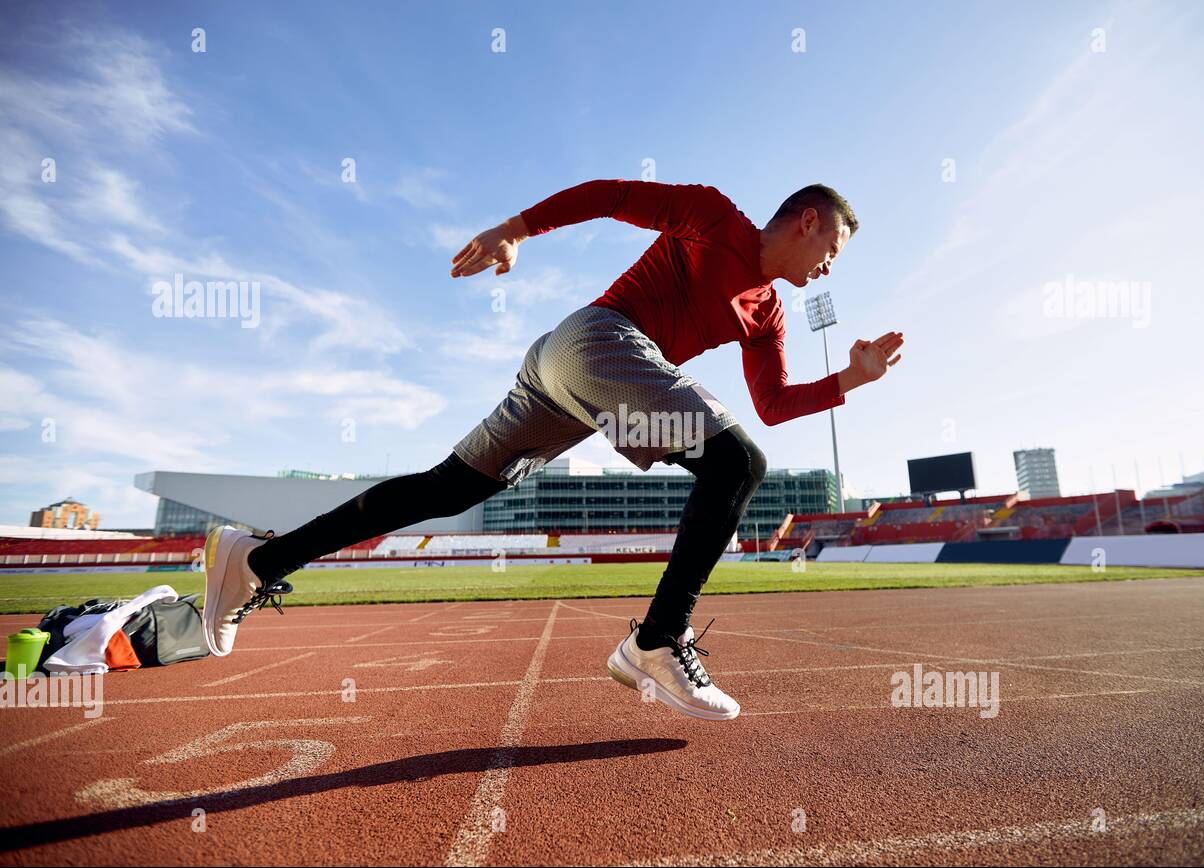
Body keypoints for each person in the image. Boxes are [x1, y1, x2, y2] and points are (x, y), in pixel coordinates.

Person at [202, 179, 903, 721]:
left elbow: (775, 405)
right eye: (834, 247)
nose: (830, 266)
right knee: (736, 463)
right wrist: (516, 230)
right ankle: (656, 640)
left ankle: (258, 559)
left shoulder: (768, 313)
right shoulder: (714, 216)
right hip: (598, 340)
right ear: (807, 221)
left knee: (447, 487)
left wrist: (852, 379)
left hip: (569, 382)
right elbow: (613, 198)